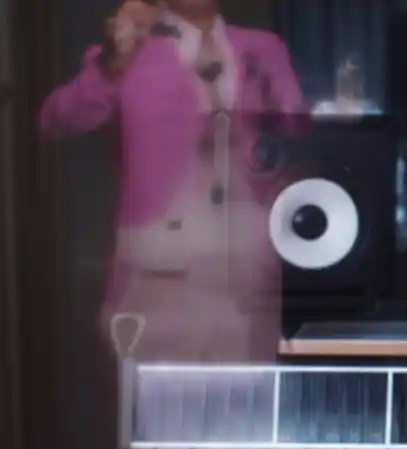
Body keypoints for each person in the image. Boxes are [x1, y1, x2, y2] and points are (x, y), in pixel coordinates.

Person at [40, 0, 305, 363]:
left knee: (245, 411)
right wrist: (113, 63)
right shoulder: (131, 50)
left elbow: (299, 142)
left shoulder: (264, 48)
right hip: (156, 271)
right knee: (156, 411)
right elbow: (57, 120)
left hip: (247, 276)